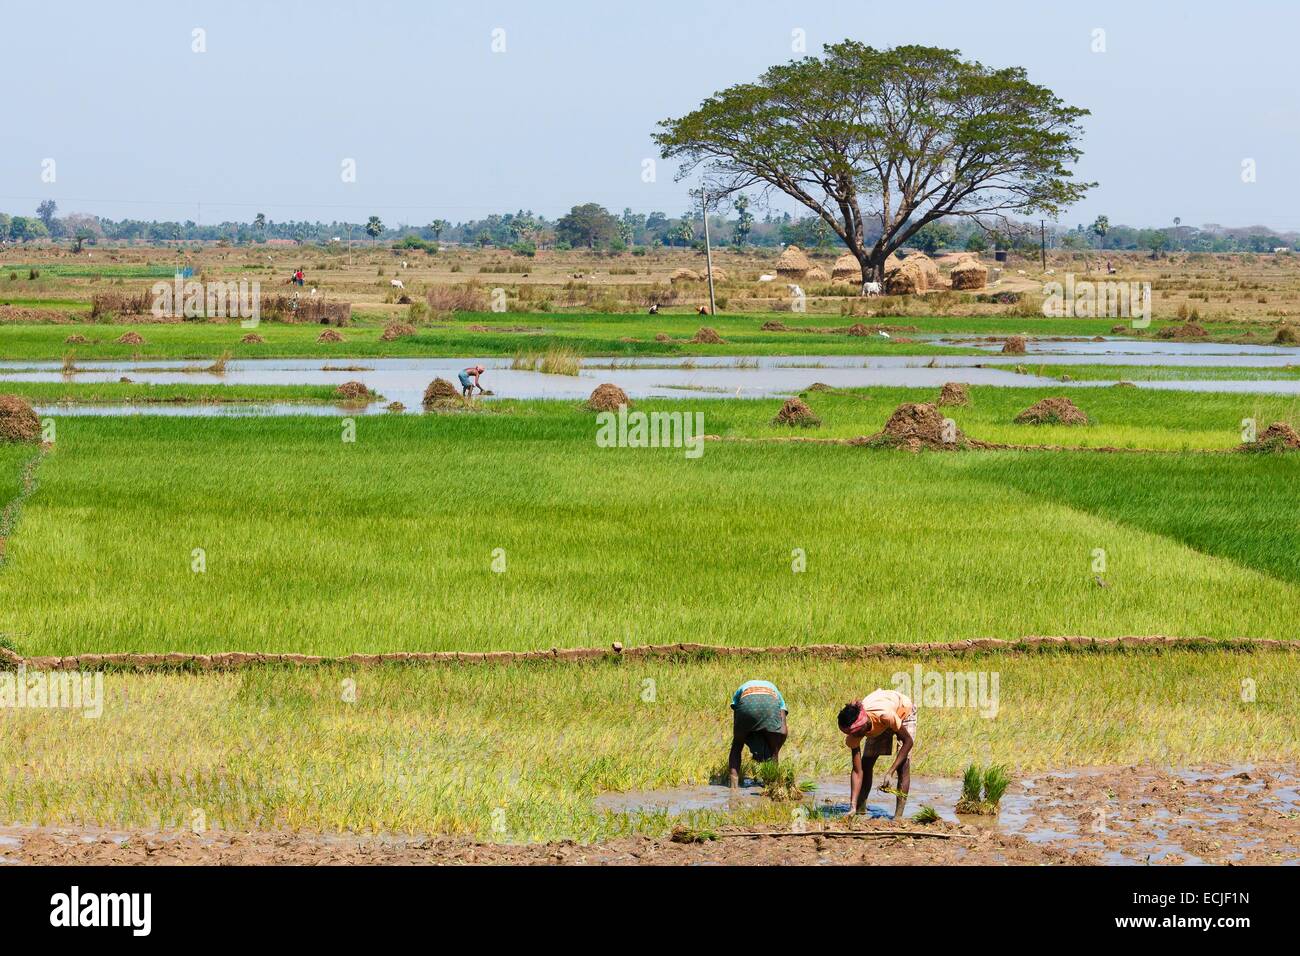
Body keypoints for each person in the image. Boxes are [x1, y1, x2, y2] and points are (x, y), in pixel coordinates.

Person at [837, 688, 916, 820]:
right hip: (879, 722)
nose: (853, 737)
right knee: (866, 763)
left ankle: (898, 817)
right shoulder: (856, 731)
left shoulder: (884, 715)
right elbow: (857, 771)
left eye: (856, 733)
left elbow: (908, 742)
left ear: (863, 725)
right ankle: (860, 811)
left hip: (903, 710)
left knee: (903, 765)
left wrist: (891, 771)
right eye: (850, 734)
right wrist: (852, 805)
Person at [727, 680, 788, 788]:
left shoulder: (742, 688)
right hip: (770, 705)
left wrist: (739, 736)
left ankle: (733, 786)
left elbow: (737, 714)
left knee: (736, 747)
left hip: (747, 702)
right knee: (773, 753)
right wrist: (775, 749)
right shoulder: (776, 693)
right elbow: (783, 730)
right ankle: (772, 785)